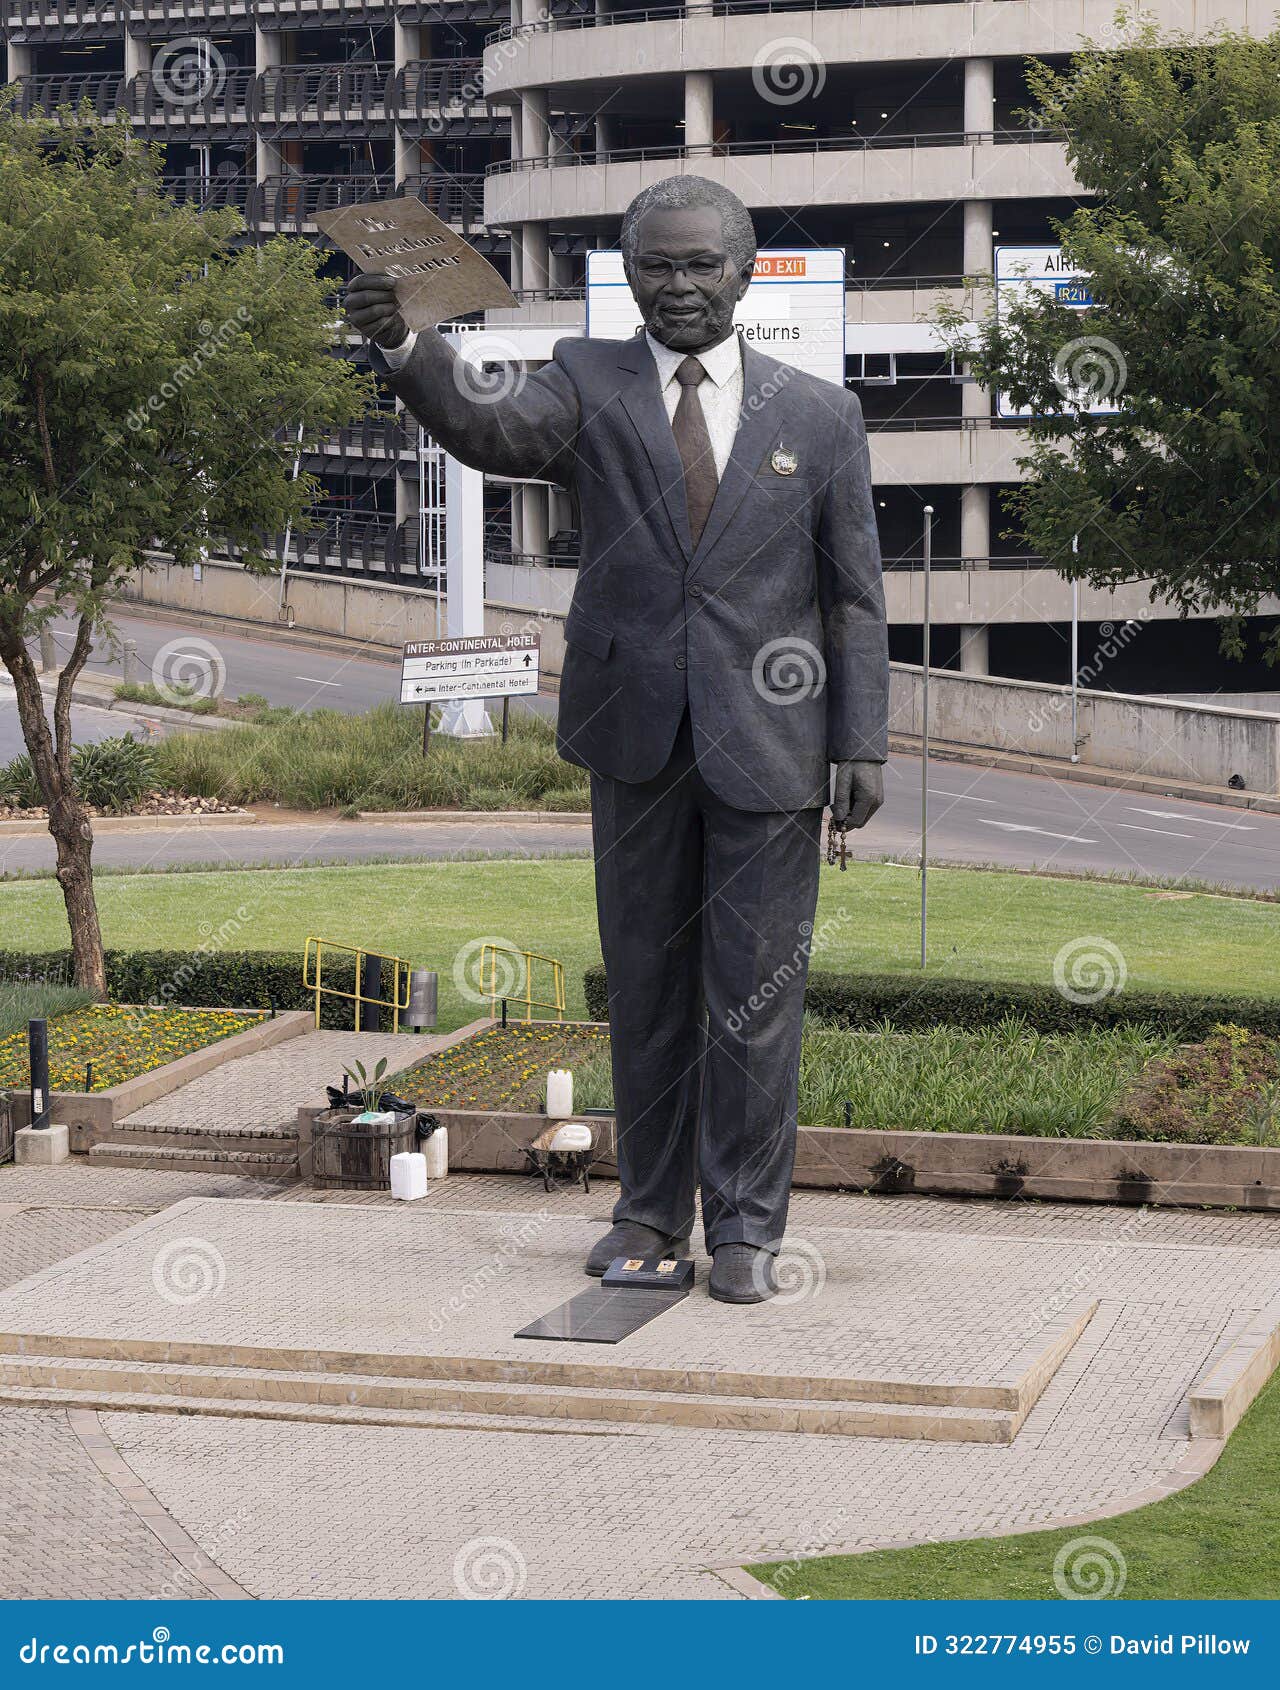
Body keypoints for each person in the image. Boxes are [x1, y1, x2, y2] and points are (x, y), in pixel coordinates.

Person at [345, 175, 888, 1303]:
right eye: (657, 265)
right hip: (632, 738)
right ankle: (648, 1210)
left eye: (701, 265)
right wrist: (406, 345)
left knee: (752, 998)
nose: (678, 285)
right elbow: (490, 426)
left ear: (745, 272)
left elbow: (853, 600)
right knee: (643, 988)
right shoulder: (586, 382)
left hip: (771, 750)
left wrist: (862, 743)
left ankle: (743, 1226)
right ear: (629, 273)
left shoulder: (820, 415)